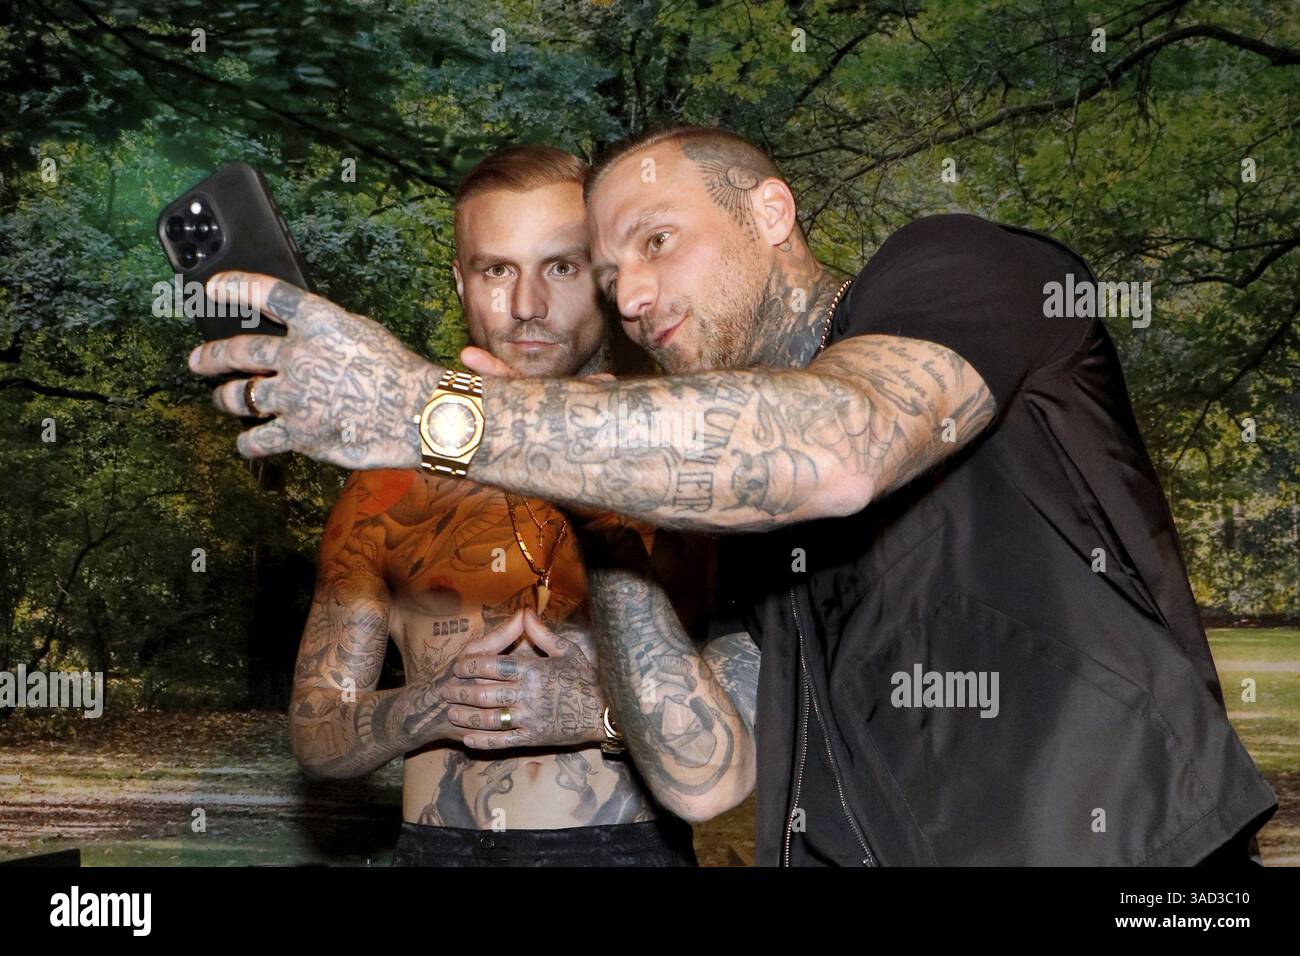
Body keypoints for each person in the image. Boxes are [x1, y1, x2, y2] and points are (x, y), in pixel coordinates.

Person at [189, 126, 1277, 866]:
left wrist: (432, 409)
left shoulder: (953, 269)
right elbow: (703, 771)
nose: (636, 296)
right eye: (612, 278)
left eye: (652, 243)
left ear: (768, 210)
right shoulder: (747, 527)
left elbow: (840, 445)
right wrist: (572, 493)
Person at [287, 144, 697, 866]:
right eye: (496, 269)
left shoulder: (683, 462)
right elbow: (318, 732)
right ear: (460, 282)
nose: (527, 305)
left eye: (561, 267)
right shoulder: (391, 481)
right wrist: (431, 706)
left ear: (604, 277)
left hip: (630, 848)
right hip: (437, 850)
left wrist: (599, 715)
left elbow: (749, 725)